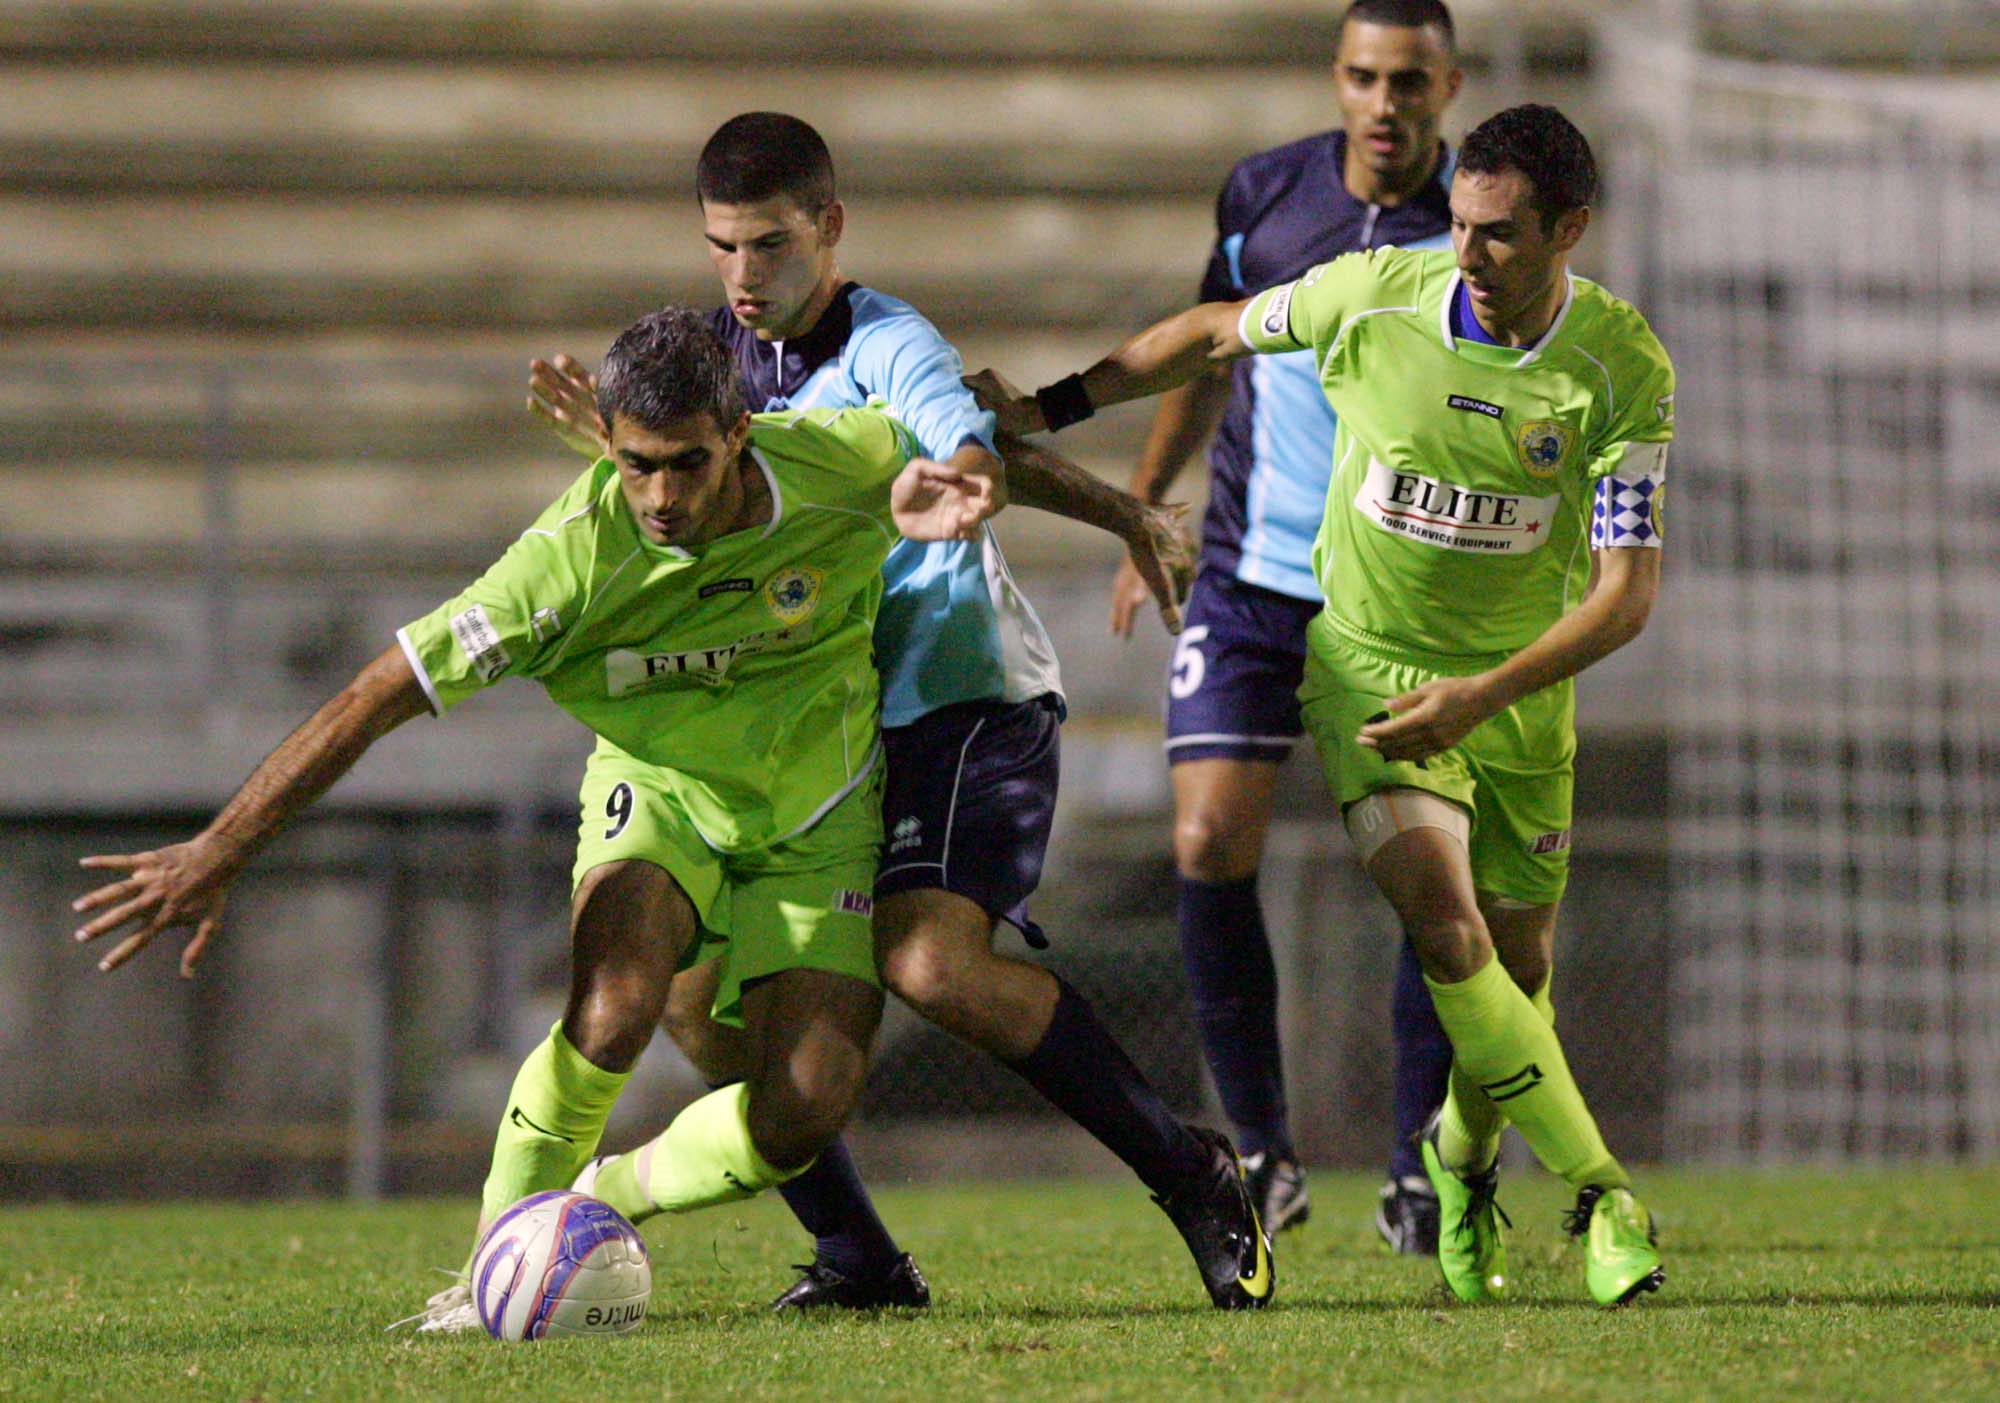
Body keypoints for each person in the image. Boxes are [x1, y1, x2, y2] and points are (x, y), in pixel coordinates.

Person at [69, 307, 1008, 1330]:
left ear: (738, 431)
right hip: (657, 796)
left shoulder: (840, 460)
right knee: (612, 1002)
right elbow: (370, 697)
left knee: (801, 1111)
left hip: (820, 813)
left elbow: (989, 456)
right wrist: (219, 848)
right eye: (636, 464)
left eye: (685, 464)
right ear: (604, 442)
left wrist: (1116, 514)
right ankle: (493, 1266)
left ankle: (598, 1198)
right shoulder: (561, 565)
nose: (659, 495)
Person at [528, 112, 1270, 1313]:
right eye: (721, 247)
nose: (743, 274)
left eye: (767, 245)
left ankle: (1190, 1171)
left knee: (928, 962)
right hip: (824, 727)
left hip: (957, 702)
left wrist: (979, 469)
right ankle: (862, 1259)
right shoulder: (710, 370)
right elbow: (684, 493)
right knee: (698, 1009)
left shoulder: (890, 344)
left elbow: (959, 433)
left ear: (827, 226)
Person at [984, 103, 1673, 1308]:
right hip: (1365, 672)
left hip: (1511, 698)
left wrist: (1488, 693)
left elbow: (1622, 599)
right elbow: (1206, 334)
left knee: (1515, 972)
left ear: (1569, 229)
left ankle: (1459, 1161)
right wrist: (1043, 409)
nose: (1465, 254)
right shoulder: (1374, 293)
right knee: (1445, 926)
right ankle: (1599, 1194)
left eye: (1499, 236)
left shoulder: (1618, 366)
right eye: (1458, 224)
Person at [1109, 0, 1463, 1252]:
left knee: (1422, 879)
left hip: (1396, 596)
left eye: (1407, 81)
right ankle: (1260, 1151)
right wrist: (1145, 503)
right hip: (1250, 579)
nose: (1383, 103)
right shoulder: (1261, 193)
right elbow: (1208, 351)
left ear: (1448, 85)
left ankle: (1419, 1159)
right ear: (1336, 78)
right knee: (1206, 840)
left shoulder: (1474, 225)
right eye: (1363, 77)